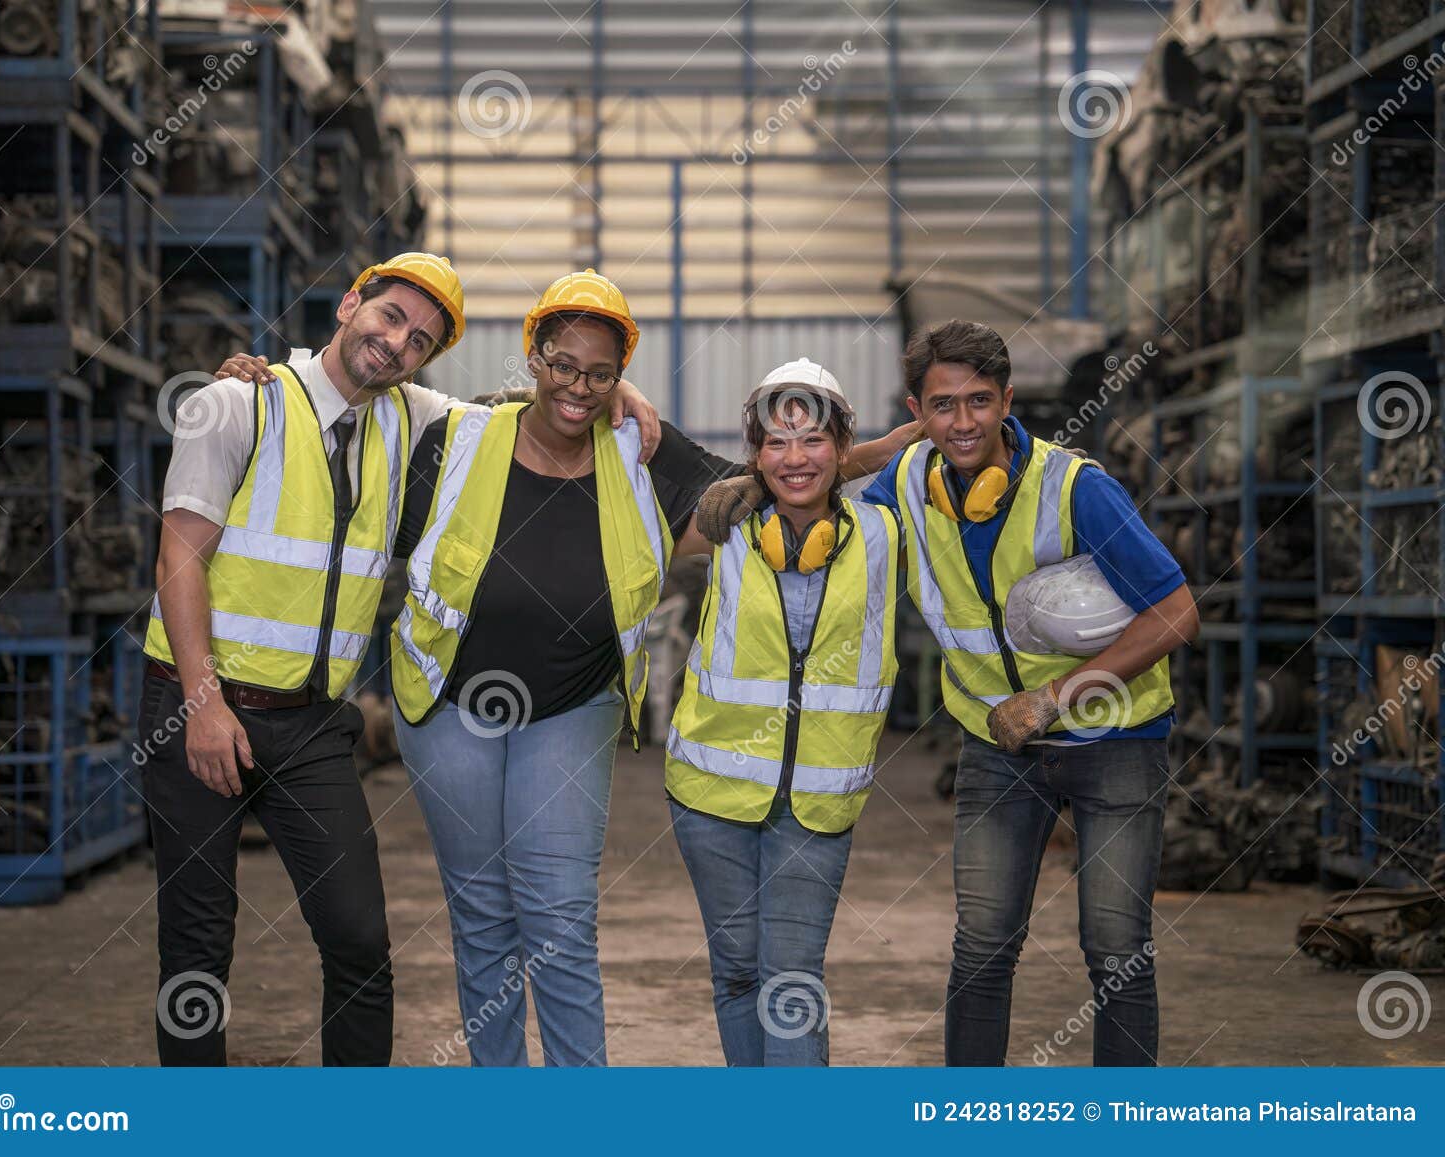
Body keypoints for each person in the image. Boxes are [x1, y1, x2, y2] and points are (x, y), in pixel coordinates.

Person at [385, 271, 920, 1067]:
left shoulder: (644, 452)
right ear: (532, 357)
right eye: (563, 364)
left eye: (601, 373)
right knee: (482, 917)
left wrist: (909, 441)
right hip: (448, 704)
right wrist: (258, 378)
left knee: (561, 919)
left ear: (620, 377)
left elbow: (785, 475)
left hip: (571, 706)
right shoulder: (458, 435)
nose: (578, 387)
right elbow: (360, 425)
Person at [143, 251, 660, 1067]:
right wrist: (203, 703)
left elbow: (528, 406)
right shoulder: (238, 404)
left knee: (358, 943)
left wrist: (611, 388)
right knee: (197, 947)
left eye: (419, 340)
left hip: (310, 722)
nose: (396, 345)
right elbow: (178, 553)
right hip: (199, 704)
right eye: (389, 318)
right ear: (351, 303)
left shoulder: (413, 418)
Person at [700, 319, 1198, 1066]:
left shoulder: (1075, 487)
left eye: (978, 401)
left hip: (1115, 739)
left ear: (1005, 402)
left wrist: (1055, 697)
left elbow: (1178, 611)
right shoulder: (908, 485)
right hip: (996, 747)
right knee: (984, 944)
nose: (962, 422)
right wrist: (758, 479)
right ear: (917, 412)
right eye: (943, 406)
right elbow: (827, 481)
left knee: (1115, 945)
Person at [667, 359, 906, 1066]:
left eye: (813, 440)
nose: (794, 458)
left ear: (841, 446)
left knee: (792, 979)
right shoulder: (724, 526)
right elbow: (628, 417)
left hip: (817, 804)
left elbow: (945, 439)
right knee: (737, 974)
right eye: (775, 442)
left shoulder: (888, 533)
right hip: (710, 796)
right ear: (754, 452)